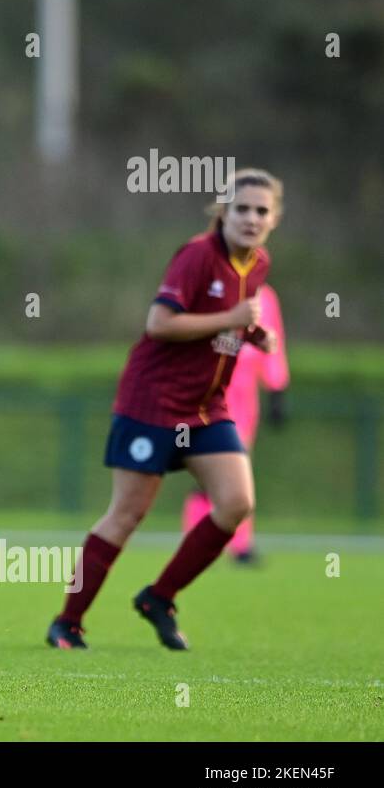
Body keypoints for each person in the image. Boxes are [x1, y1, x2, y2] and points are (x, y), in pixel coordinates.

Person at [47, 168, 283, 650]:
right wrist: (233, 319)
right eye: (242, 208)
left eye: (262, 211)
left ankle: (159, 596)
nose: (251, 218)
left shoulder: (258, 264)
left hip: (205, 408)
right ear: (223, 212)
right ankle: (67, 622)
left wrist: (248, 333)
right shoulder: (198, 255)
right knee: (126, 515)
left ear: (273, 219)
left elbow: (222, 328)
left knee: (237, 503)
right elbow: (159, 323)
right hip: (152, 403)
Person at [180, 283, 288, 563]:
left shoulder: (264, 296)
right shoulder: (209, 289)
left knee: (239, 469)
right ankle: (195, 540)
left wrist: (276, 388)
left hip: (244, 397)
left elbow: (273, 340)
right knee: (208, 472)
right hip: (210, 391)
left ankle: (239, 543)